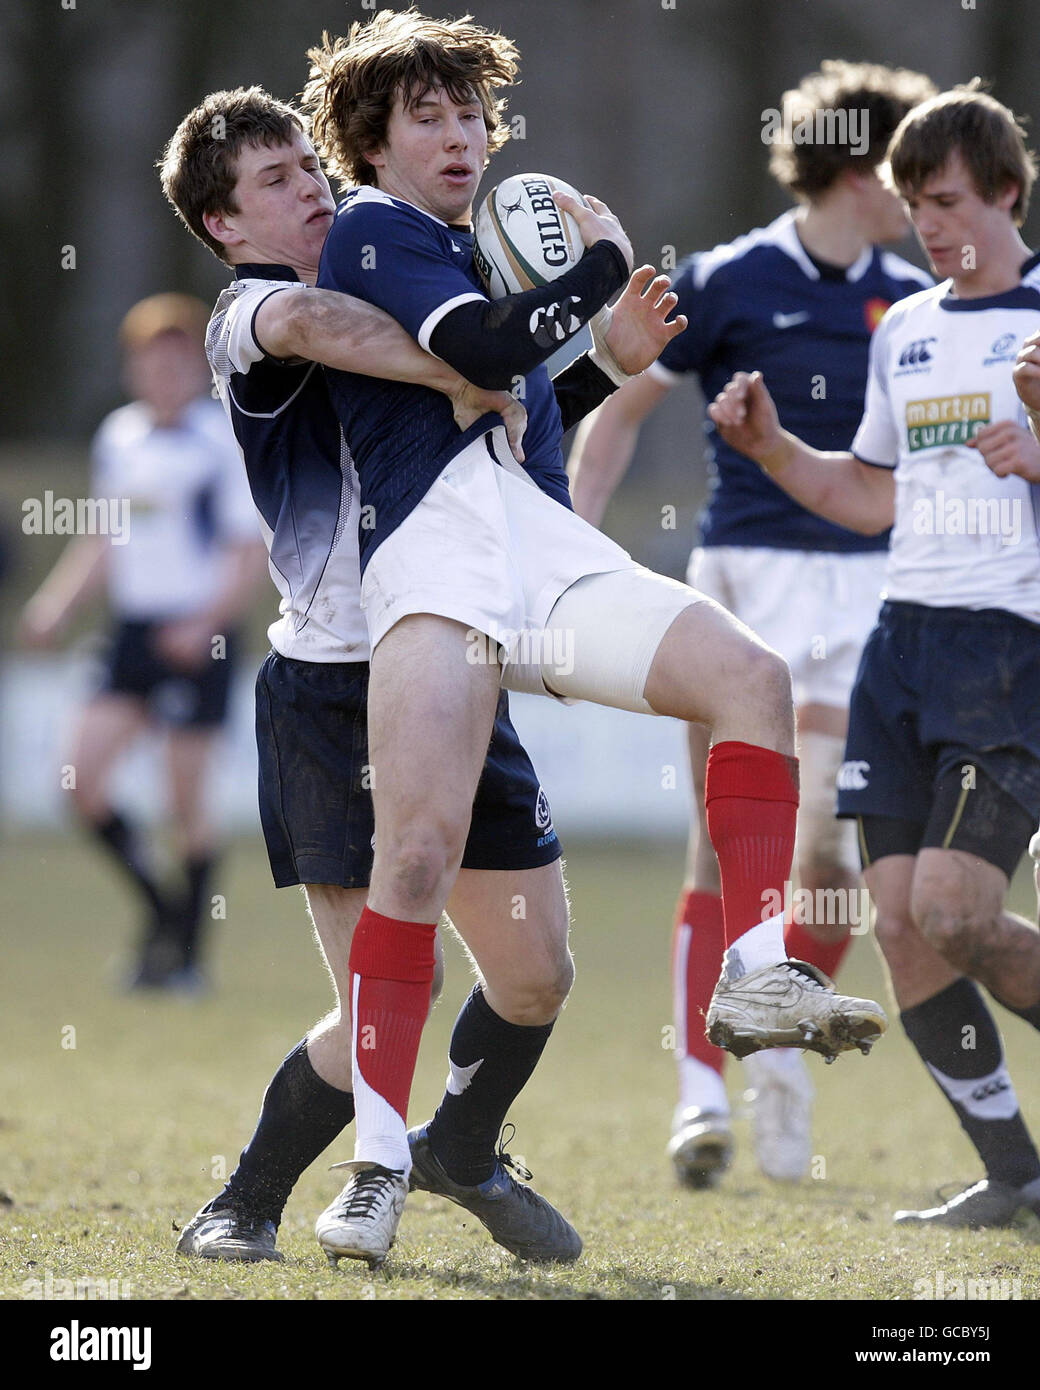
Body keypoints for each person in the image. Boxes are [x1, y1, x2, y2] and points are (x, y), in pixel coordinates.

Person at [300, 7, 887, 1265]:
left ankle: (751, 971)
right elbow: (470, 348)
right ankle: (375, 1165)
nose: (459, 137)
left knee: (750, 676)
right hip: (437, 571)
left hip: (540, 553)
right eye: (427, 117)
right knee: (413, 859)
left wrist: (602, 363)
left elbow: (507, 410)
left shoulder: (468, 245)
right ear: (370, 139)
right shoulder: (375, 231)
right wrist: (590, 271)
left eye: (470, 115)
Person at [159, 84, 683, 1267]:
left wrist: (587, 369)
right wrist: (520, 331)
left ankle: (461, 1145)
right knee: (376, 997)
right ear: (226, 228)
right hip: (332, 685)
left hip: (456, 652)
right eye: (277, 181)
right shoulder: (256, 312)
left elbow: (499, 427)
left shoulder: (408, 278)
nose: (311, 186)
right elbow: (391, 356)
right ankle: (245, 1196)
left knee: (537, 973)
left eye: (310, 162)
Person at [567, 60, 937, 1188]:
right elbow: (620, 407)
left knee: (828, 854)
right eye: (903, 166)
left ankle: (774, 1049)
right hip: (745, 581)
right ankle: (696, 1098)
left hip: (864, 586)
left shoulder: (906, 297)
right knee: (723, 851)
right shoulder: (728, 279)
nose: (918, 192)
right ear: (857, 166)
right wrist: (571, 541)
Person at [707, 82, 1040, 1228]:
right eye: (913, 204)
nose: (930, 226)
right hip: (895, 648)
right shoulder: (901, 327)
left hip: (1007, 653)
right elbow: (869, 495)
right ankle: (1013, 1173)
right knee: (894, 922)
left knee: (953, 909)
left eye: (947, 200)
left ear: (1004, 189)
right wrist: (772, 449)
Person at [19, 294, 268, 991]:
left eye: (176, 358)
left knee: (184, 801)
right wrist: (57, 605)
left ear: (196, 367)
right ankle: (164, 910)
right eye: (149, 360)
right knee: (81, 780)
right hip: (131, 632)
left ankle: (184, 959)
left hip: (200, 635)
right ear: (133, 369)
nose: (162, 372)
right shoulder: (119, 436)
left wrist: (203, 624)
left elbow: (246, 554)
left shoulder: (220, 440)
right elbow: (105, 537)